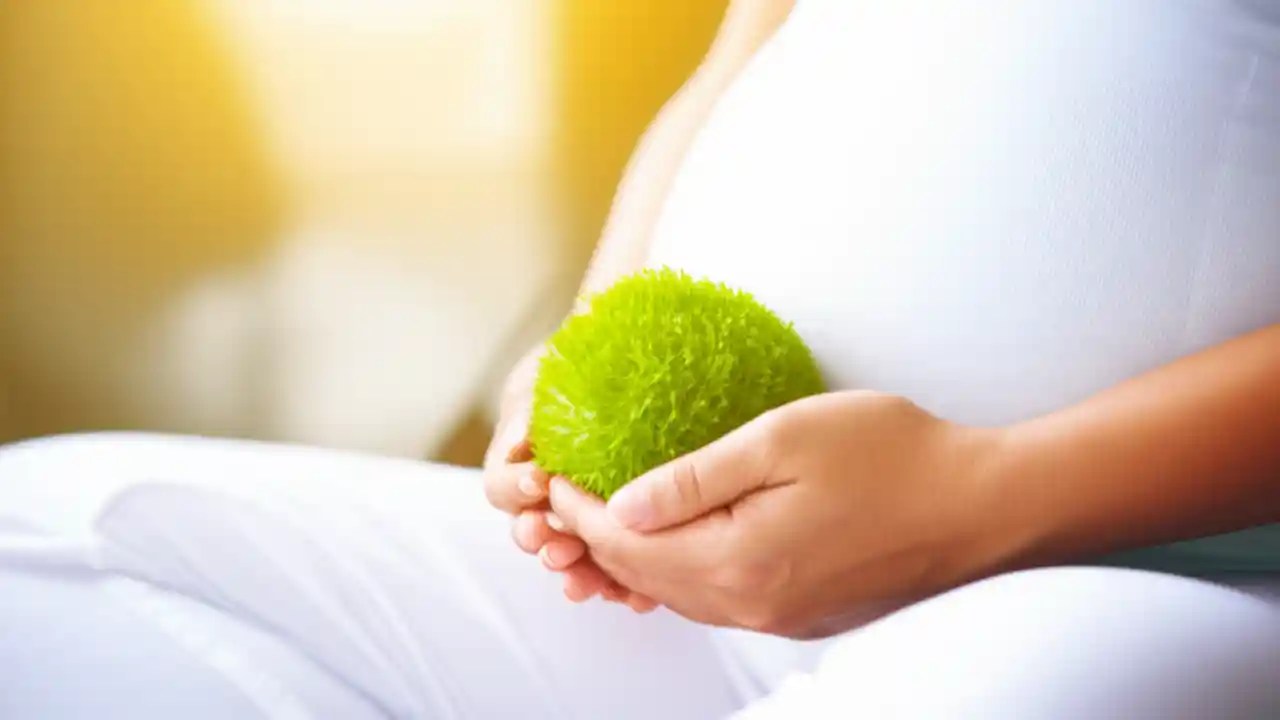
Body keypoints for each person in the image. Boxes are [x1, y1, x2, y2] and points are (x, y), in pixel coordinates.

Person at [3, 0, 1280, 716]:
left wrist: (988, 491)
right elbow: (736, 61)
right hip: (670, 596)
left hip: (1138, 583)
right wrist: (573, 361)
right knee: (44, 533)